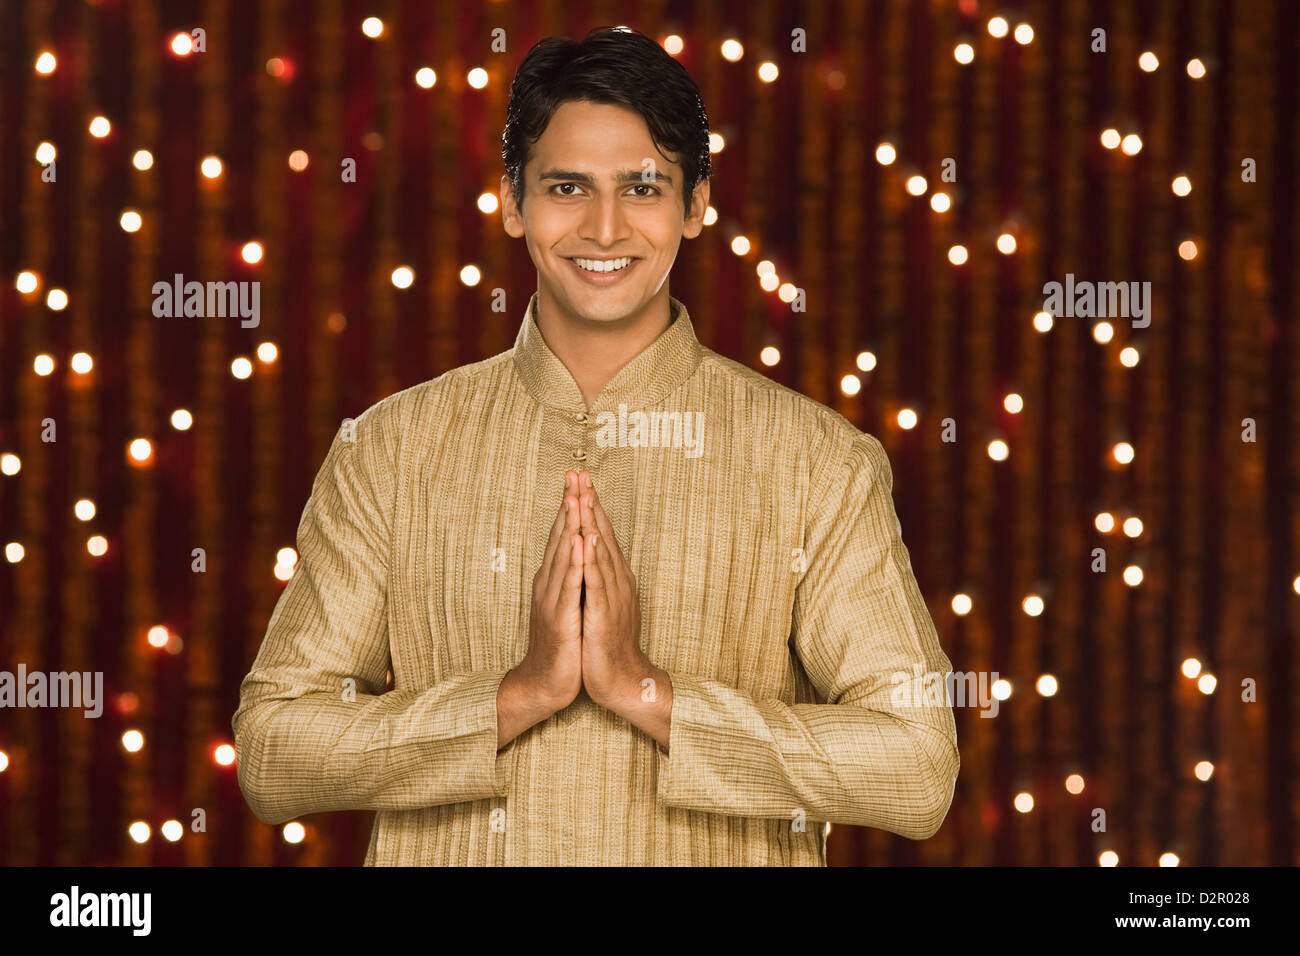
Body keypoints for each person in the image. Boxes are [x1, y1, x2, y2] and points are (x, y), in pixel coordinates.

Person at [232, 25, 959, 866]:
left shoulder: (817, 463)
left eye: (643, 188)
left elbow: (916, 765)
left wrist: (650, 694)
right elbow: (274, 752)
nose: (605, 228)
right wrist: (515, 696)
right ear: (512, 201)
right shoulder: (393, 450)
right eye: (567, 186)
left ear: (696, 204)